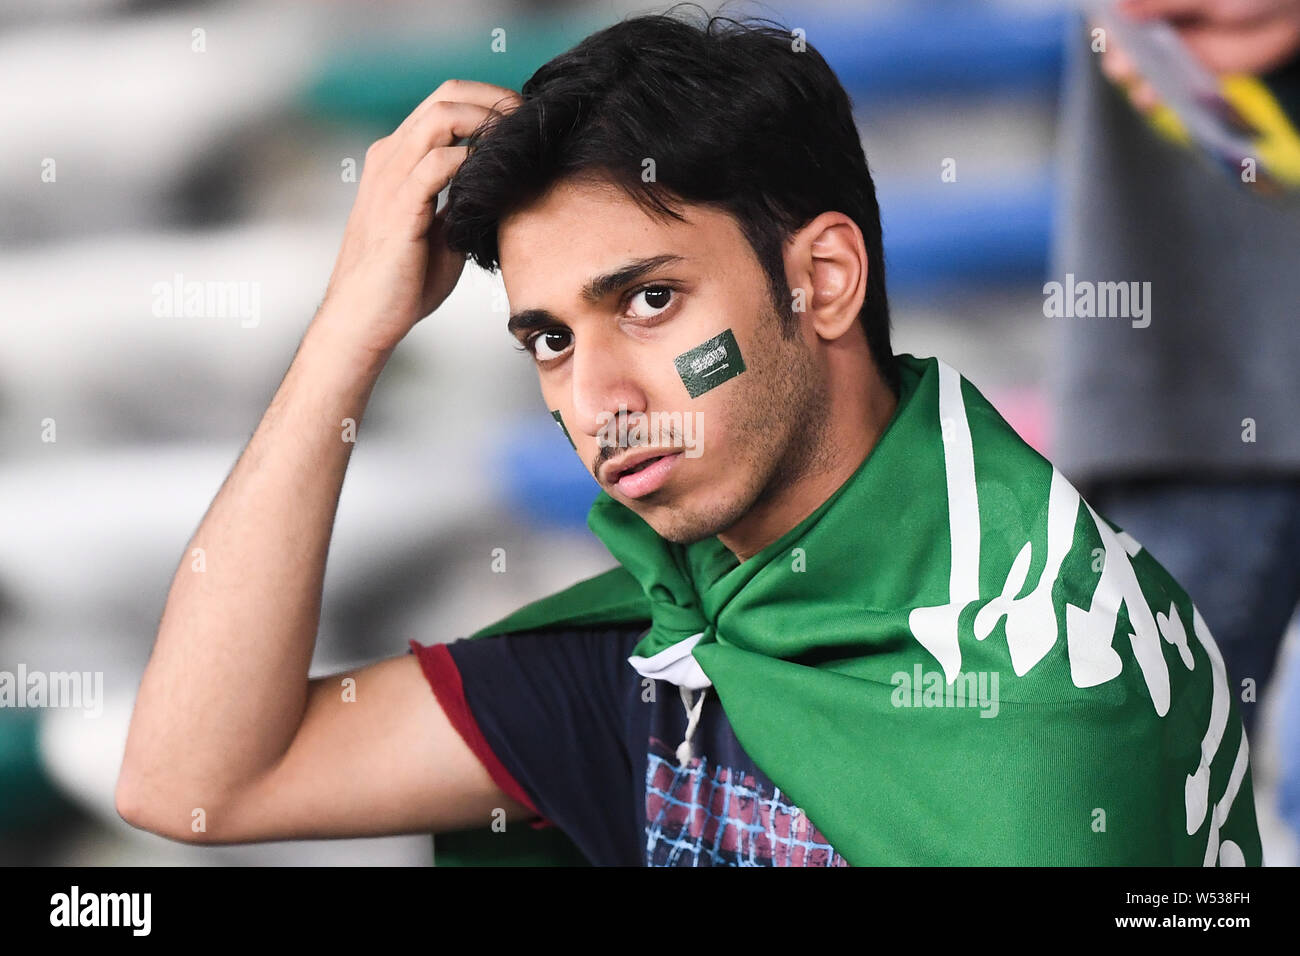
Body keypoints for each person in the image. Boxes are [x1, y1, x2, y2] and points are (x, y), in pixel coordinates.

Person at [115, 8, 1261, 866]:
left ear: (822, 278)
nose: (600, 397)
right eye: (549, 339)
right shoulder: (695, 621)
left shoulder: (1038, 711)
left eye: (650, 301)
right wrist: (349, 333)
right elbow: (199, 778)